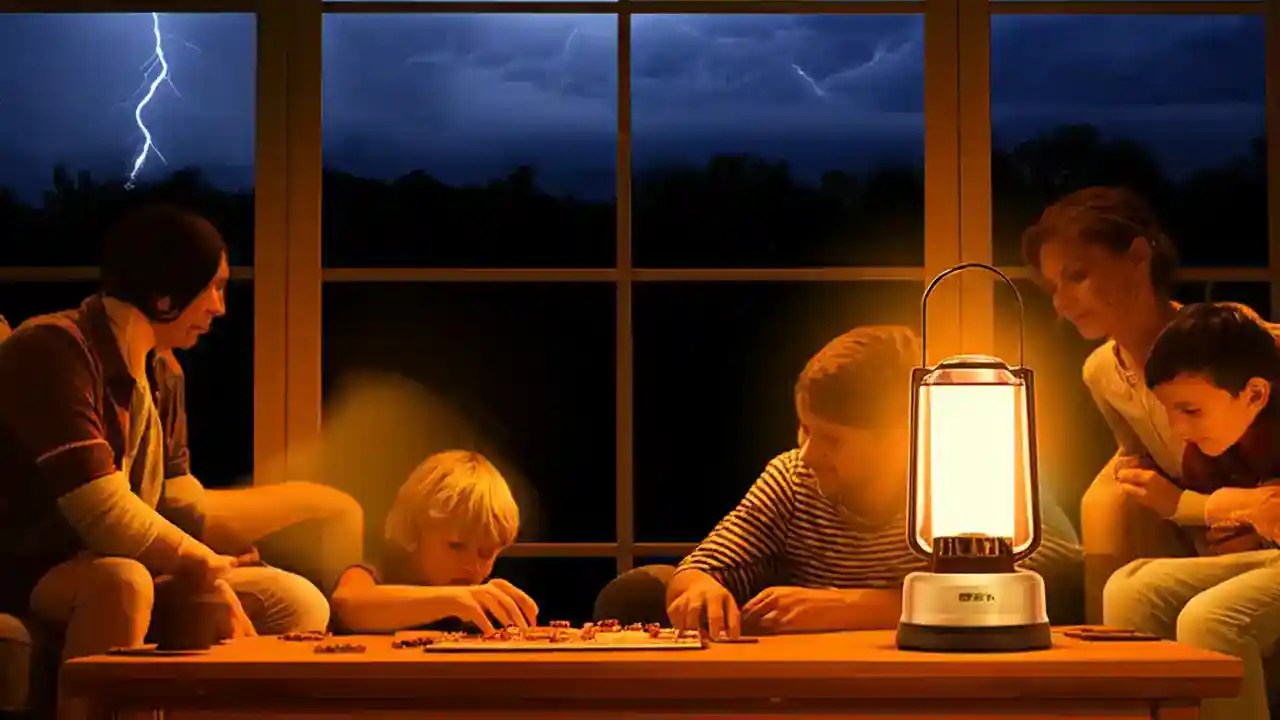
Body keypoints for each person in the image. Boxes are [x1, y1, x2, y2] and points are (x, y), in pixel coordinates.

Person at [0, 204, 346, 662]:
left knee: (295, 600)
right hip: (41, 566)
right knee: (122, 580)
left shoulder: (163, 371)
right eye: (214, 288)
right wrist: (199, 564)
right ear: (165, 295)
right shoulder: (53, 350)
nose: (220, 309)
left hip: (131, 559)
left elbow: (180, 502)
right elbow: (102, 512)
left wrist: (222, 559)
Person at [663, 325, 1083, 639]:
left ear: (904, 440)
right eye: (804, 429)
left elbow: (1052, 579)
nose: (808, 453)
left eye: (831, 438)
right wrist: (700, 590)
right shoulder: (791, 480)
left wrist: (851, 607)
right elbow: (699, 570)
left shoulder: (968, 480)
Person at [1020, 185, 1195, 618]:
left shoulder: (1221, 344)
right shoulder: (1100, 372)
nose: (1061, 301)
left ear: (1138, 256)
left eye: (1077, 276)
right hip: (1192, 534)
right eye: (1053, 286)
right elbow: (1137, 457)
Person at [1104, 302, 1280, 720]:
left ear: (1254, 393)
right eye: (1169, 410)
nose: (1178, 428)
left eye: (1190, 411)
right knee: (1131, 587)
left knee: (1214, 617)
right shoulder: (1219, 445)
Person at [330, 450, 538, 635]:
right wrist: (452, 599)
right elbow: (348, 604)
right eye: (455, 546)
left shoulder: (483, 604)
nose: (472, 565)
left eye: (486, 553)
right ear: (414, 529)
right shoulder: (382, 571)